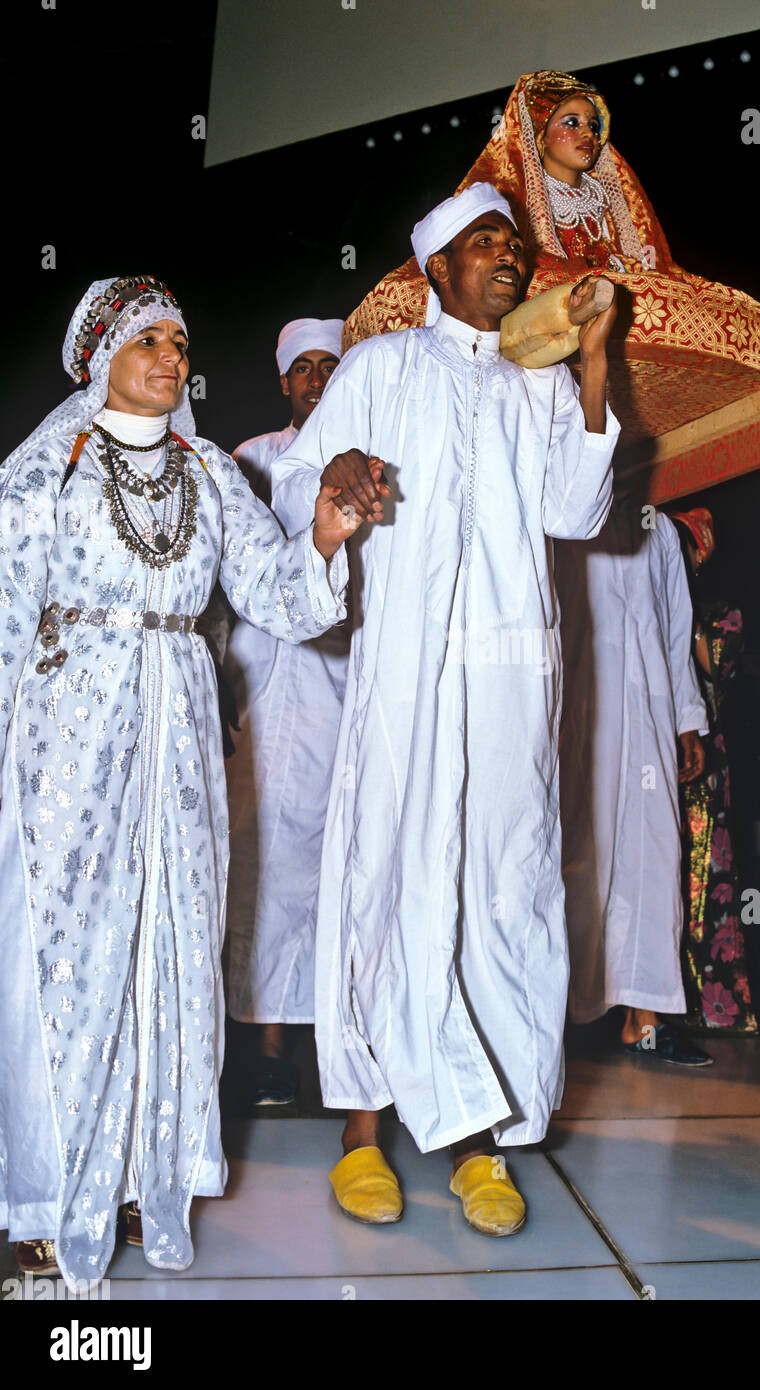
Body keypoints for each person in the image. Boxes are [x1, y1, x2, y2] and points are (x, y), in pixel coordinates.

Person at [270, 182, 619, 1236]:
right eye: (483, 243)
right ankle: (363, 1130)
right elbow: (295, 485)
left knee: (501, 882)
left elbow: (575, 509)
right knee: (386, 865)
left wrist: (593, 362)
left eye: (513, 245)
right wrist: (332, 473)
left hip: (512, 675)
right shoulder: (380, 367)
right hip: (409, 671)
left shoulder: (536, 380)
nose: (507, 257)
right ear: (434, 271)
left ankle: (483, 1139)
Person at [0, 277, 357, 1290]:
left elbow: (280, 598)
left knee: (167, 944)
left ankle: (130, 1177)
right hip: (68, 735)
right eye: (146, 337)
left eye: (180, 339)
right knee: (70, 953)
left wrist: (325, 533)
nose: (169, 354)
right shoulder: (45, 474)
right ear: (95, 356)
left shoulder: (208, 470)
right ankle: (41, 1192)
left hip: (182, 735)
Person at [344, 71, 760, 452]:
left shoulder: (610, 200)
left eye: (593, 125)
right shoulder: (510, 207)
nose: (587, 134)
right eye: (571, 122)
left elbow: (644, 267)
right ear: (539, 135)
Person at [221, 317, 349, 1107]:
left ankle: (337, 1048)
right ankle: (265, 1046)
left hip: (349, 691)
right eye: (301, 368)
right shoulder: (250, 463)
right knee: (263, 866)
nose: (315, 379)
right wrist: (225, 686)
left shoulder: (374, 468)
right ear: (283, 381)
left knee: (341, 864)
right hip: (266, 691)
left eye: (328, 365)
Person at [557, 491, 712, 1064]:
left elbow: (678, 629)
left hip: (648, 715)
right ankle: (560, 1015)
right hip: (577, 716)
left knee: (650, 858)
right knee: (576, 856)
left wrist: (687, 719)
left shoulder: (660, 530)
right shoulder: (563, 514)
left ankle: (642, 1018)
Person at [669, 508, 758, 1034]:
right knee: (668, 880)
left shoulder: (723, 614)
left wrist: (680, 606)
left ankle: (717, 1004)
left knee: (708, 884)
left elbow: (712, 667)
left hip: (705, 765)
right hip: (660, 760)